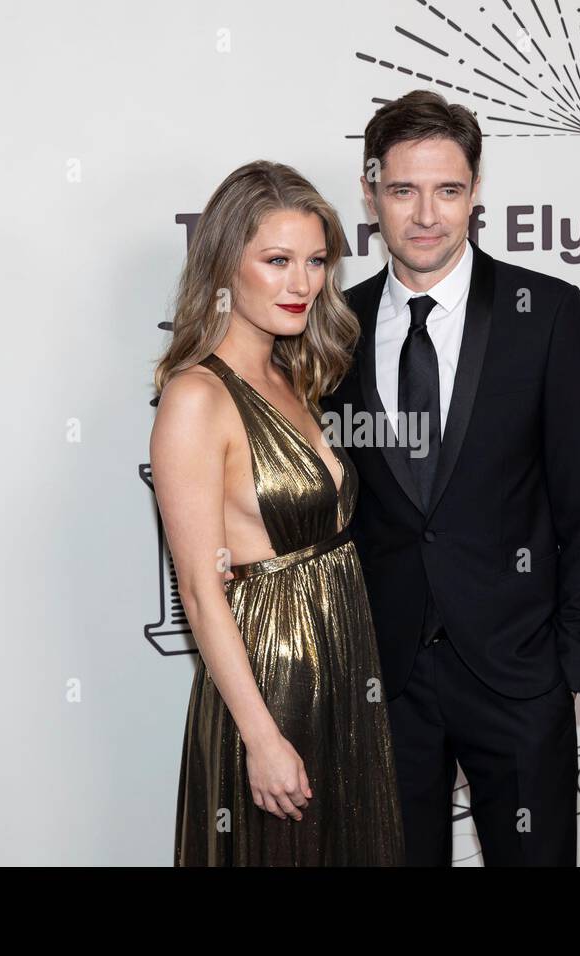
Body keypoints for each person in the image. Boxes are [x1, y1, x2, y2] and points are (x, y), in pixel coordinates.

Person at [320, 90, 580, 866]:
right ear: (370, 189)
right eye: (403, 190)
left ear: (475, 191)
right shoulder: (333, 329)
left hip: (519, 675)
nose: (425, 214)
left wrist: (571, 665)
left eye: (447, 190)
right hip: (386, 680)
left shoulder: (543, 312)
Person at [150, 160, 404, 866]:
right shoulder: (196, 398)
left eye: (316, 261)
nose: (303, 283)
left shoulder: (297, 374)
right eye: (278, 261)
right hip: (273, 674)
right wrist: (261, 739)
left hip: (344, 656)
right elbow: (201, 594)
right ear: (226, 265)